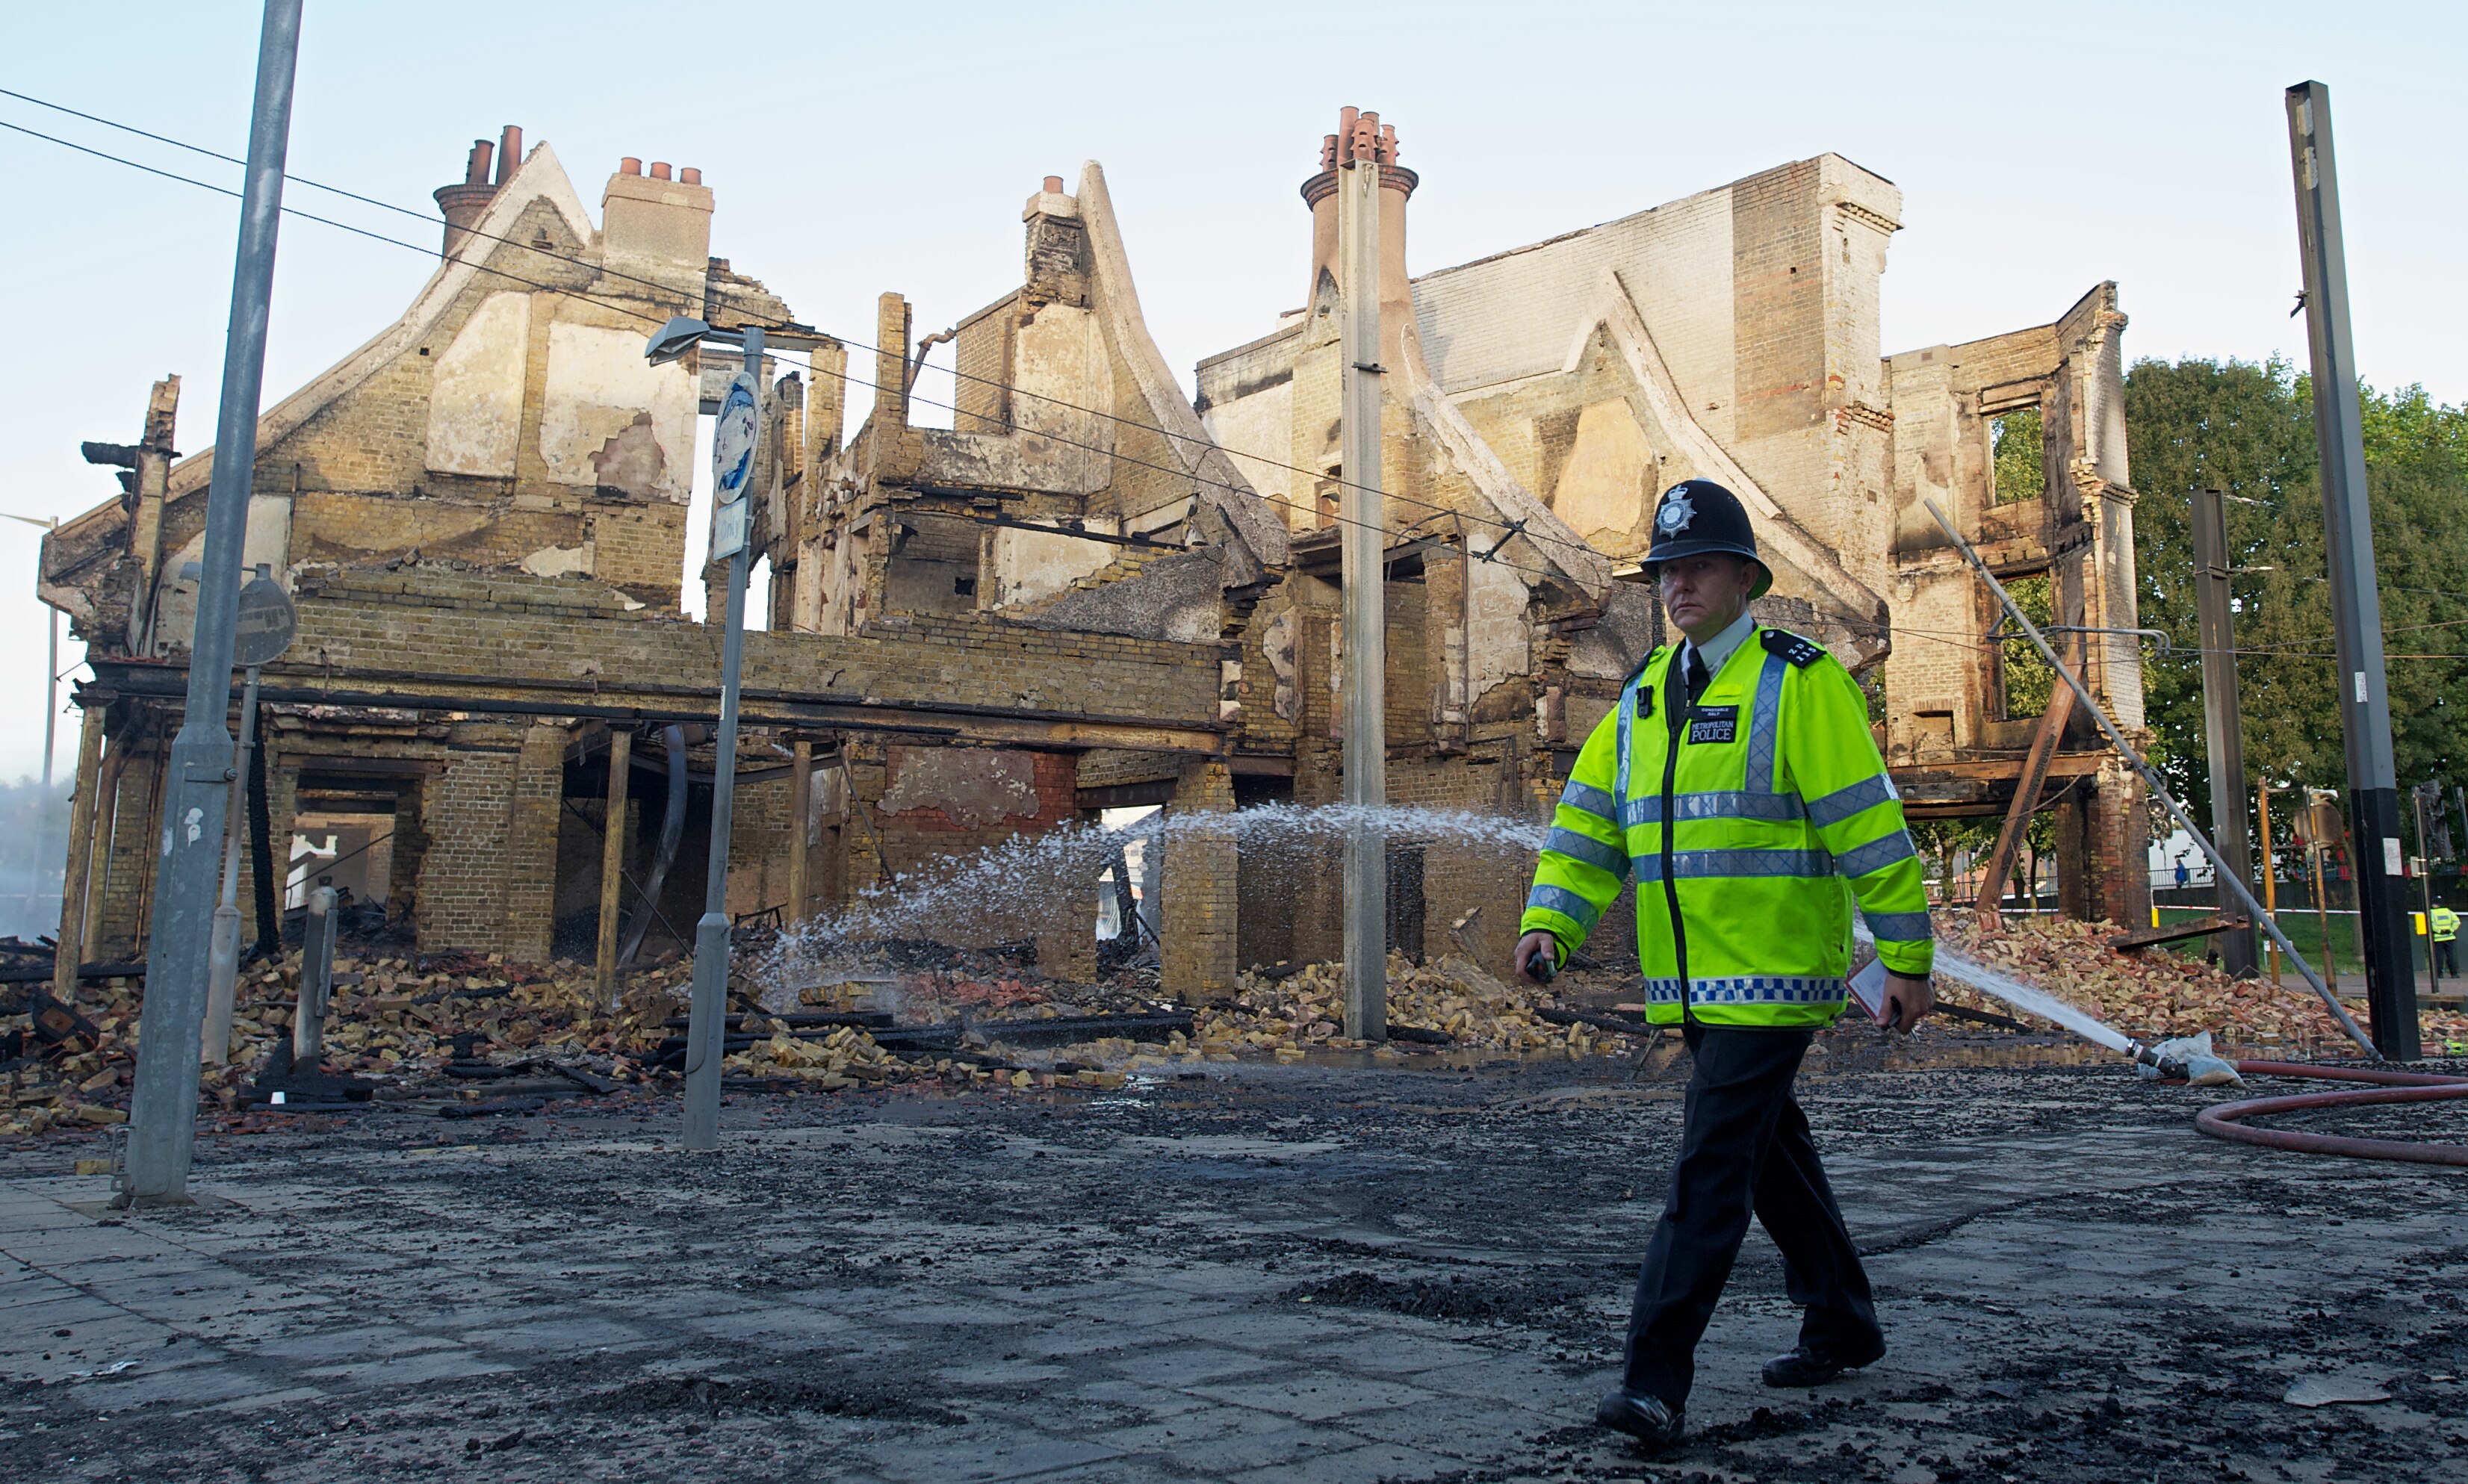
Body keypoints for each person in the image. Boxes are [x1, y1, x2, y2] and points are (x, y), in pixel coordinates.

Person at [1515, 479, 1935, 1447]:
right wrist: (1551, 923)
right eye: (1667, 570)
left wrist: (1906, 957)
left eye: (1699, 566)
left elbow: (1868, 828)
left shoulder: (1800, 681)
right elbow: (1590, 826)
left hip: (1774, 977)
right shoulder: (1644, 697)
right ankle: (1843, 1318)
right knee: (1770, 1156)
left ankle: (1653, 1381)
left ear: (1746, 577)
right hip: (1693, 984)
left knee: (1710, 1172)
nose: (1679, 585)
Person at [2435, 903, 2460, 977]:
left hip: (2438, 938)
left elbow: (2430, 924)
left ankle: (2439, 974)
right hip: (2450, 937)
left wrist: (2439, 931)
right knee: (2452, 956)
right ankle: (2454, 974)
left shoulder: (2432, 913)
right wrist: (2451, 930)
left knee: (2439, 957)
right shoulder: (2449, 911)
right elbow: (2457, 922)